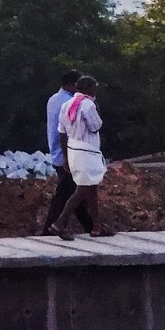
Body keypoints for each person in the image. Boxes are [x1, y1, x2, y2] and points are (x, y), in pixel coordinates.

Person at [53, 75, 111, 240]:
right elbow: (96, 126)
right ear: (89, 88)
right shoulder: (88, 105)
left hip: (73, 149)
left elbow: (62, 132)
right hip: (88, 151)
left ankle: (97, 226)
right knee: (83, 189)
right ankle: (60, 222)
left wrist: (65, 156)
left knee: (91, 188)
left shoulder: (66, 105)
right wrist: (96, 105)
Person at [40, 70, 93, 236]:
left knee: (75, 194)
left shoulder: (53, 100)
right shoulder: (71, 103)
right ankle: (50, 229)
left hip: (58, 154)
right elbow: (70, 131)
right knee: (64, 195)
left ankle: (92, 227)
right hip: (68, 155)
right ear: (71, 84)